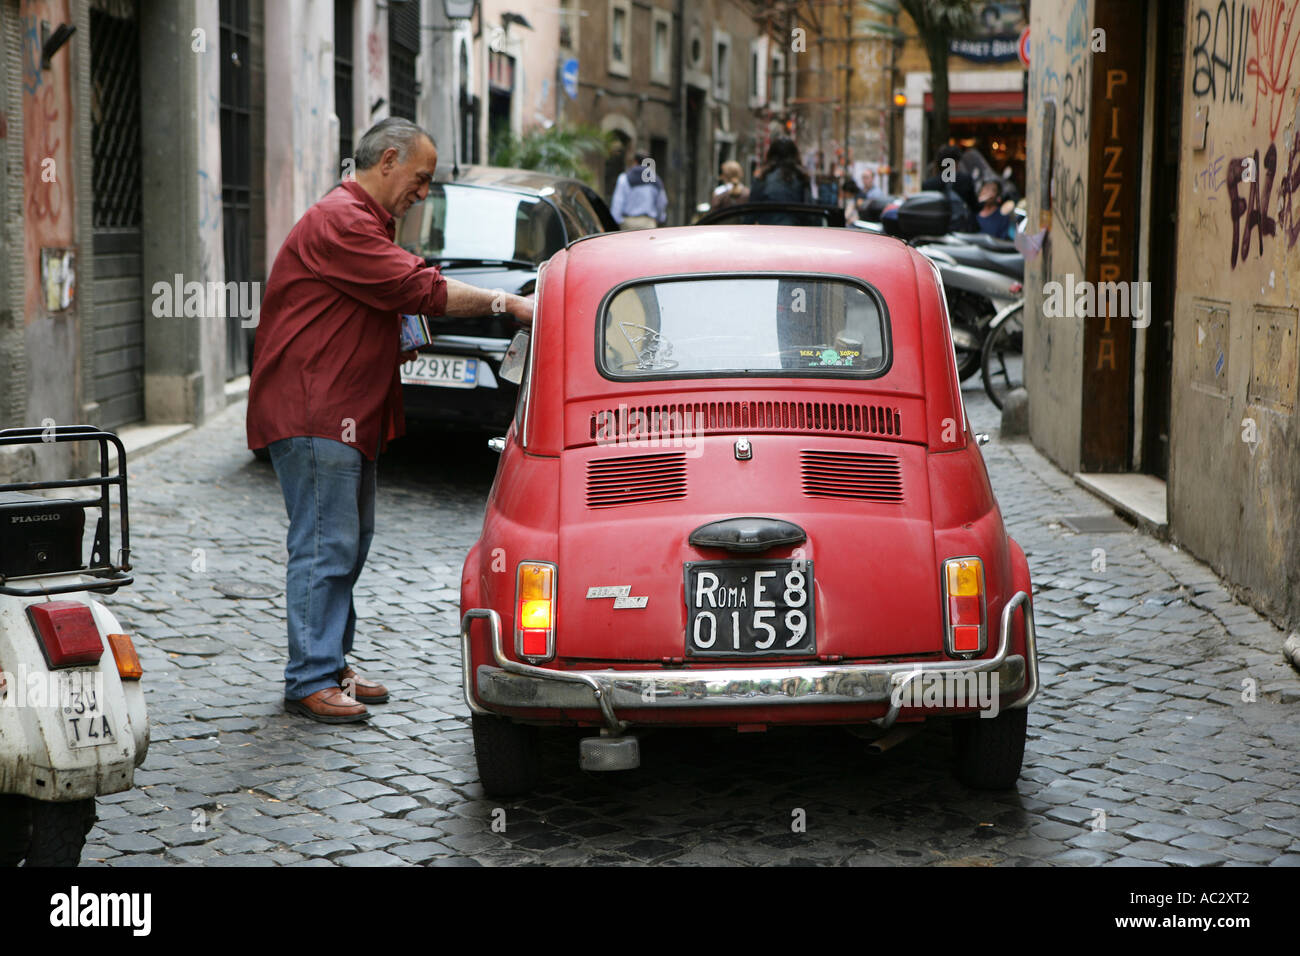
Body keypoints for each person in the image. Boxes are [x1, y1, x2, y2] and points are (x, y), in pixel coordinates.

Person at [246, 117, 533, 724]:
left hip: (347, 411)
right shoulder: (343, 221)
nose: (423, 192)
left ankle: (330, 659)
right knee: (327, 545)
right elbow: (417, 288)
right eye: (421, 178)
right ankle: (310, 677)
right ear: (389, 160)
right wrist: (506, 303)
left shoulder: (365, 221)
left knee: (349, 543)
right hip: (316, 409)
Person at [750, 136, 813, 223]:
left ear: (770, 155)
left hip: (768, 233)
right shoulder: (802, 177)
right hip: (796, 233)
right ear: (795, 155)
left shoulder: (762, 177)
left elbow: (750, 214)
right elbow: (811, 213)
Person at [610, 151, 668, 229]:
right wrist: (659, 218)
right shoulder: (656, 180)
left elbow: (617, 203)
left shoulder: (624, 178)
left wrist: (617, 222)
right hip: (648, 224)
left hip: (628, 224)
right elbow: (662, 202)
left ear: (635, 161)